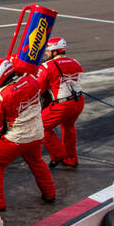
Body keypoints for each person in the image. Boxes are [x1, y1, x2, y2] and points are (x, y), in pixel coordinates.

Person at [0, 63, 64, 210]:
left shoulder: (2, 95)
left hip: (17, 137)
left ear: (0, 74)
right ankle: (50, 193)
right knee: (36, 161)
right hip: (36, 132)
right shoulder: (31, 79)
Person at [34, 36, 85, 168]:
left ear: (55, 51)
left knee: (42, 127)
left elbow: (39, 88)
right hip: (78, 102)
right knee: (69, 128)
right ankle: (71, 158)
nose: (46, 54)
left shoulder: (47, 66)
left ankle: (58, 156)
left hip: (62, 105)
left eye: (48, 51)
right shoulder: (76, 62)